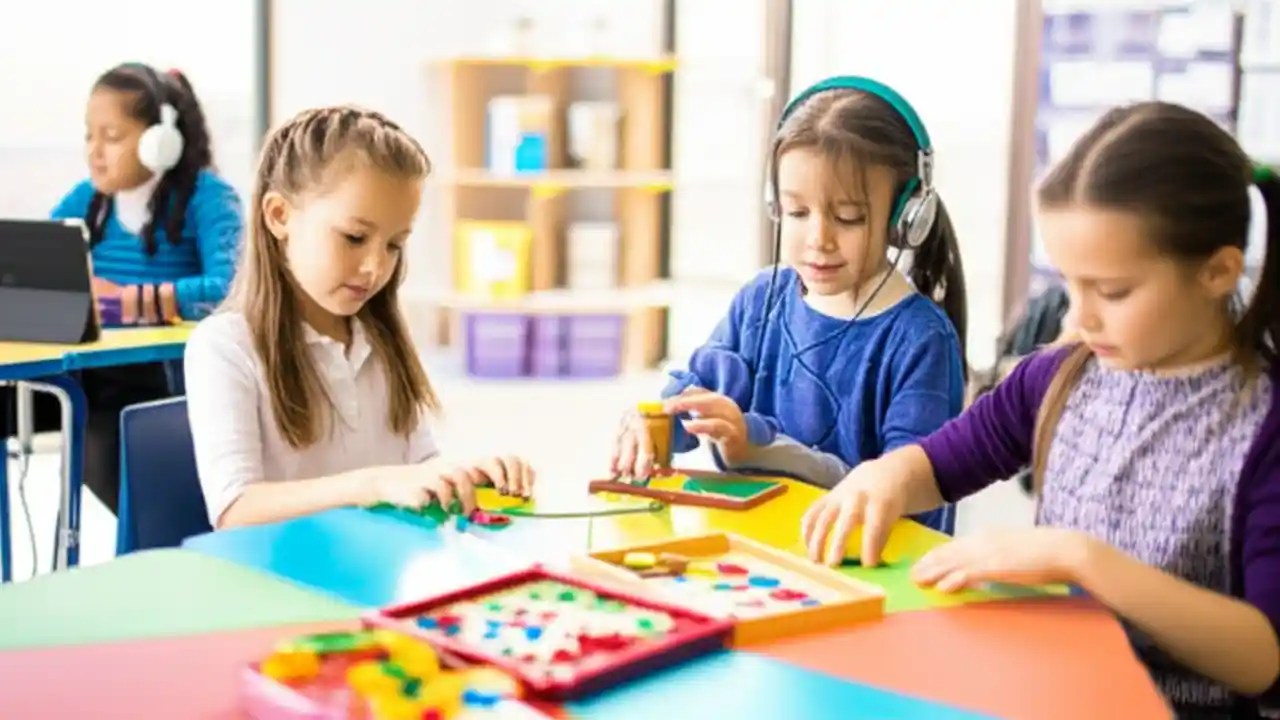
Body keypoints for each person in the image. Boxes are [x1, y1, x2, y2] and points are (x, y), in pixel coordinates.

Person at [802, 102, 1280, 716]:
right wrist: (887, 476)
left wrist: (1081, 559)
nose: (1078, 318)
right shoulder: (1062, 373)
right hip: (1049, 691)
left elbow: (1265, 659)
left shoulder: (1261, 427)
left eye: (1111, 291)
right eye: (1069, 284)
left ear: (1218, 272)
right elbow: (946, 461)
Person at [611, 76, 967, 534]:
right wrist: (650, 423)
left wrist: (760, 448)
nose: (819, 239)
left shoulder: (920, 339)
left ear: (906, 219)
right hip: (762, 562)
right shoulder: (762, 301)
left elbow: (903, 498)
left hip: (870, 575)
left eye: (848, 217)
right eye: (797, 213)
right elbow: (693, 400)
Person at [185, 106, 536, 529]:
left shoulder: (380, 341)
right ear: (279, 216)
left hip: (378, 583)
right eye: (354, 237)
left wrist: (467, 476)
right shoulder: (224, 346)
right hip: (283, 585)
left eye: (394, 245)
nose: (375, 267)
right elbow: (236, 510)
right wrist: (371, 485)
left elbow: (419, 465)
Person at [3, 62, 243, 514]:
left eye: (112, 138)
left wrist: (132, 299)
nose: (95, 152)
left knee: (114, 459)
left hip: (160, 374)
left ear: (160, 142)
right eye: (89, 136)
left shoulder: (208, 197)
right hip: (94, 372)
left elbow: (231, 287)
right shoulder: (90, 199)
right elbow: (32, 261)